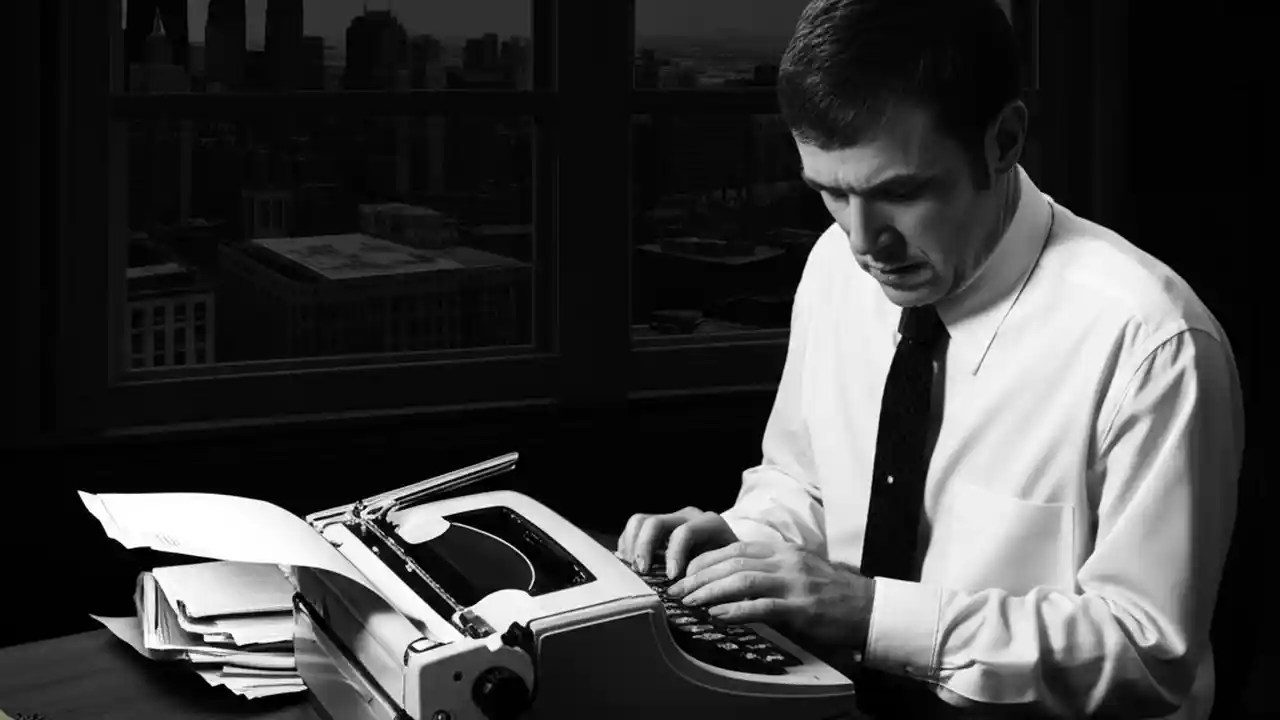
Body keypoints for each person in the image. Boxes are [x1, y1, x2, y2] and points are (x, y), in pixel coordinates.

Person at [615, 0, 1245, 717]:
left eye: (901, 193)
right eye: (830, 193)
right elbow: (806, 481)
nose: (863, 242)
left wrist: (869, 614)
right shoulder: (832, 267)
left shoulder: (1151, 344)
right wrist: (747, 540)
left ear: (1003, 140)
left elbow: (1145, 656)